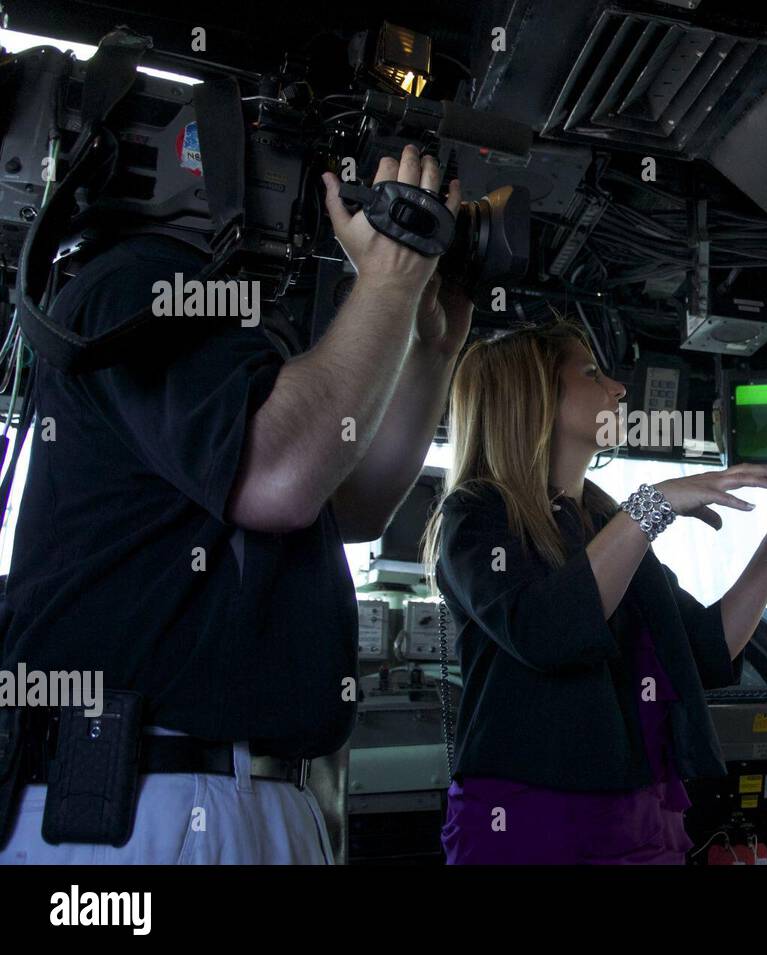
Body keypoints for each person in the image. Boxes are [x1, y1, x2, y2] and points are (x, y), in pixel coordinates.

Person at [0, 144, 470, 863]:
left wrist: (428, 348)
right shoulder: (135, 284)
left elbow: (350, 504)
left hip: (224, 795)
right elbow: (281, 475)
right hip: (151, 800)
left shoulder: (214, 323)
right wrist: (385, 284)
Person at [428, 320, 767, 864]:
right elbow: (546, 632)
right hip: (526, 819)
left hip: (642, 815)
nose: (619, 388)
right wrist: (650, 508)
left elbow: (706, 649)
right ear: (533, 396)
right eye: (591, 373)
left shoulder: (607, 524)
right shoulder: (477, 515)